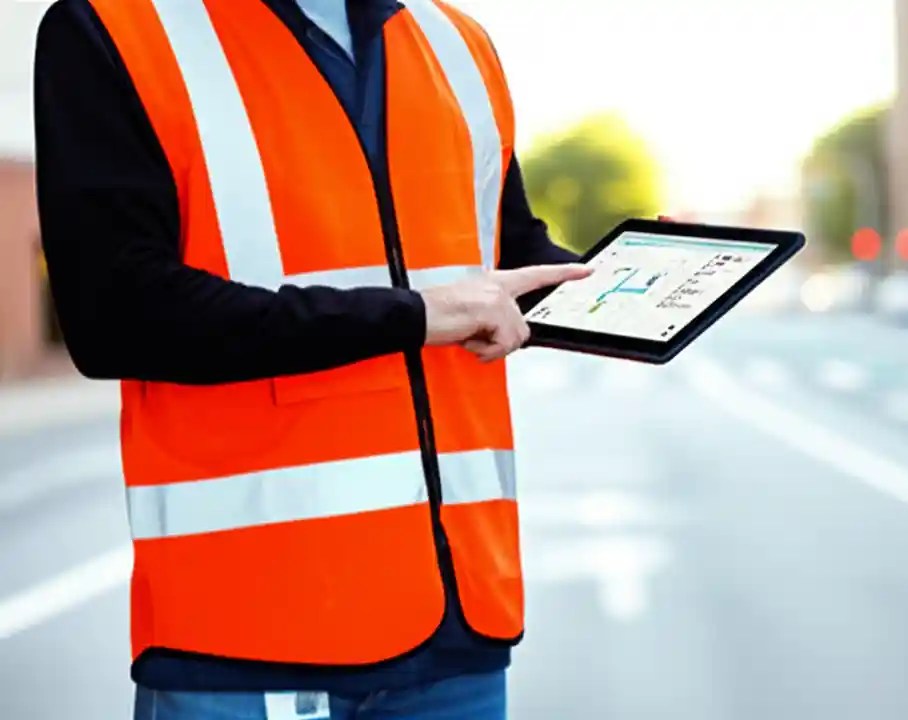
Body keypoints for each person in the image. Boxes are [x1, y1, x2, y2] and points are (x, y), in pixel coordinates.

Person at [33, 1, 590, 718]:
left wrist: (617, 288)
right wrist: (415, 317)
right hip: (246, 640)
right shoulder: (116, 27)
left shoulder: (457, 42)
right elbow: (114, 314)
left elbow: (504, 258)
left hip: (459, 632)